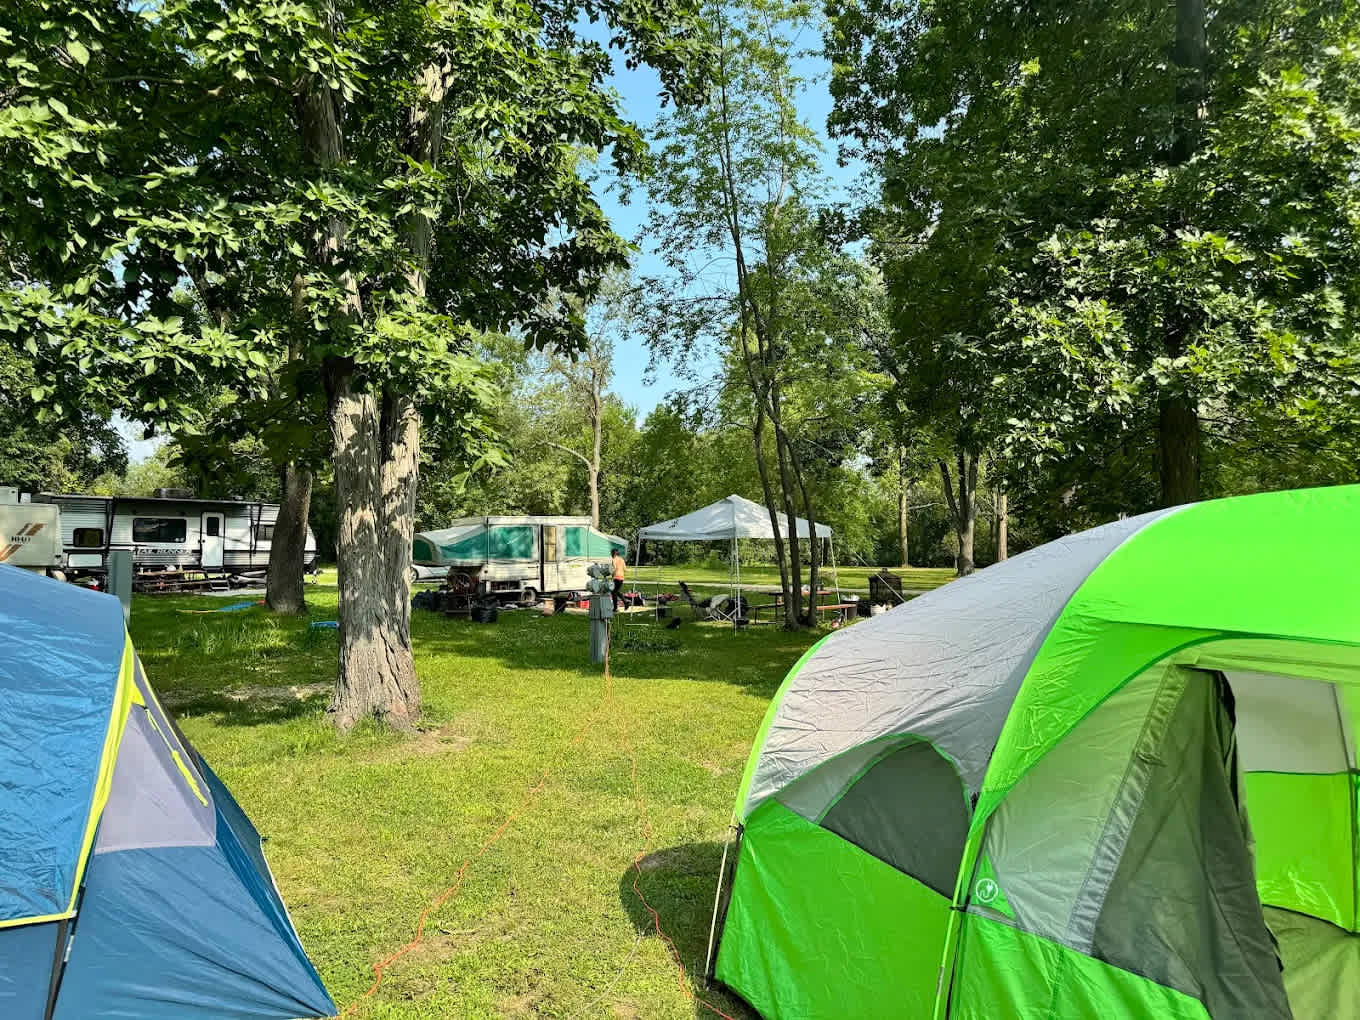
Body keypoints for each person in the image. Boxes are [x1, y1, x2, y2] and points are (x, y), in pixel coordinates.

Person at [611, 547, 627, 612]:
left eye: (611, 553)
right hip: (621, 577)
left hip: (616, 577)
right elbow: (625, 569)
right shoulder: (622, 559)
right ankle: (624, 603)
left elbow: (614, 568)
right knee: (616, 591)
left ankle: (616, 607)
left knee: (614, 592)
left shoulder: (614, 559)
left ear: (613, 553)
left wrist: (612, 575)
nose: (611, 555)